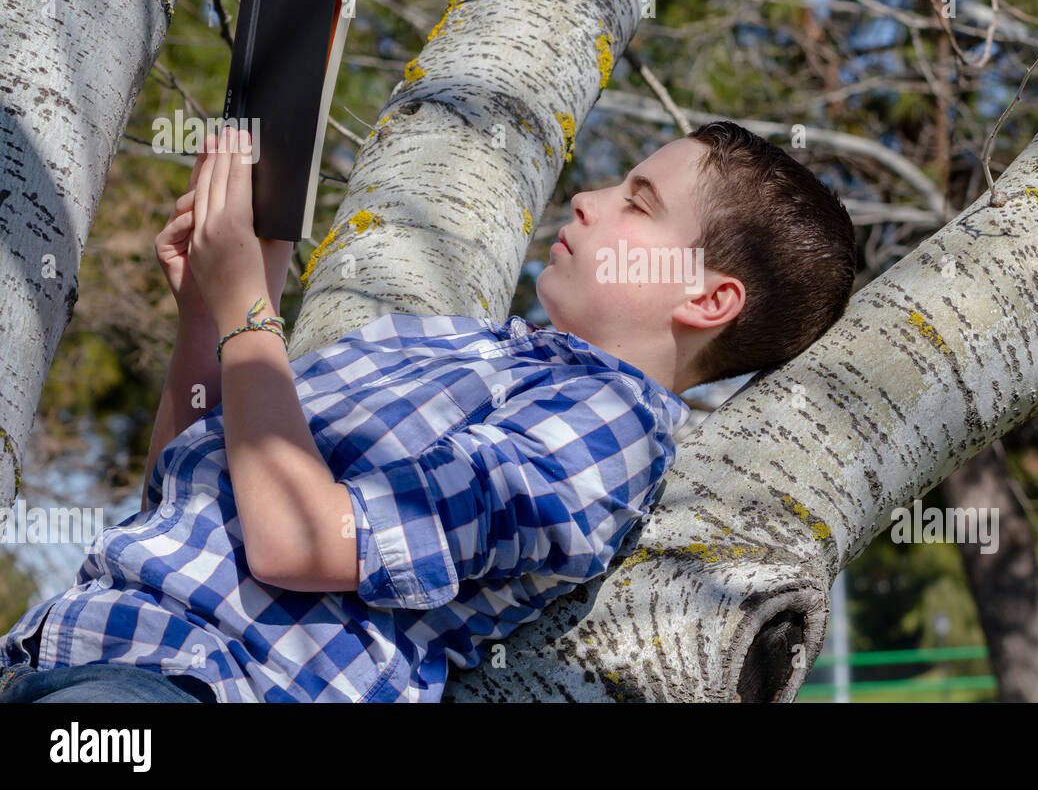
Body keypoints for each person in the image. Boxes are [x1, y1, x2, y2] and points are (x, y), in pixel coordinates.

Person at [0, 120, 856, 702]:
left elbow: (300, 539)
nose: (589, 199)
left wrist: (250, 312)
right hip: (62, 652)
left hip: (197, 683)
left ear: (708, 301)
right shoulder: (452, 342)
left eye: (639, 201)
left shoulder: (606, 424)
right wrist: (209, 316)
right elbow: (184, 485)